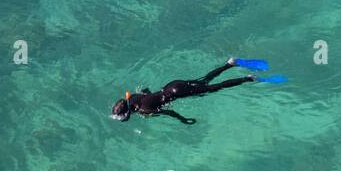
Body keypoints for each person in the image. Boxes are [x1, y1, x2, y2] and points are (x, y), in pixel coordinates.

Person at [110, 57, 285, 125]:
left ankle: (248, 78)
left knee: (214, 88)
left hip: (177, 93)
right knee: (205, 80)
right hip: (172, 84)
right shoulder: (132, 97)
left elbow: (169, 112)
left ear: (127, 112)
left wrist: (183, 119)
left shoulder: (143, 110)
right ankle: (230, 63)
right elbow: (147, 92)